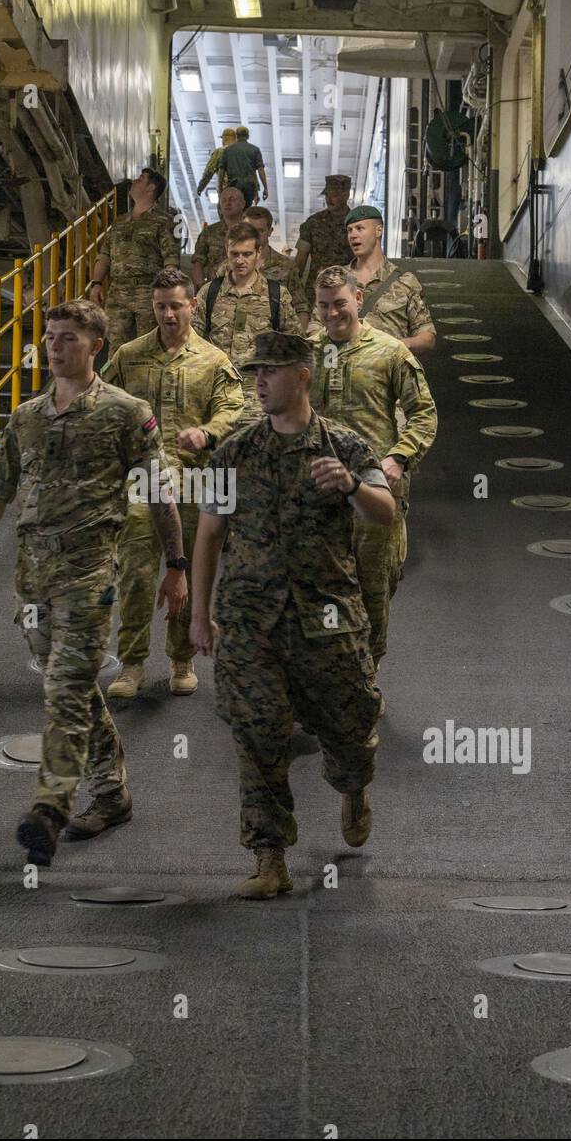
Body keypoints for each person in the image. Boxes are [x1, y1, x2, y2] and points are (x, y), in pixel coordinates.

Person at [0, 300, 187, 866]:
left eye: (67, 338)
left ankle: (50, 807)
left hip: (89, 576)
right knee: (74, 686)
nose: (54, 347)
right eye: (50, 337)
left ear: (96, 347)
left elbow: (159, 492)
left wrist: (176, 565)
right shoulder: (28, 416)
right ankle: (113, 793)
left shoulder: (126, 413)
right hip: (32, 578)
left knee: (64, 687)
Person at [190, 331, 395, 900]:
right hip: (251, 621)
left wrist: (352, 485)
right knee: (257, 733)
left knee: (351, 727)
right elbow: (209, 534)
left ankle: (352, 786)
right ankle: (268, 856)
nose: (259, 381)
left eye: (271, 371)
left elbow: (385, 511)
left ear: (303, 375)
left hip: (327, 619)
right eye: (255, 371)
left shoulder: (344, 446)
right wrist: (200, 617)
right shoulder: (235, 452)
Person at [100, 267, 244, 710]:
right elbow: (103, 397)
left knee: (190, 573)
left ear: (192, 306)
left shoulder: (214, 360)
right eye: (160, 306)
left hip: (199, 479)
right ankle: (132, 663)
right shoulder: (128, 355)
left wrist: (208, 432)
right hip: (144, 481)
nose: (167, 314)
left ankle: (182, 660)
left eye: (176, 306)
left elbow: (234, 407)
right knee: (138, 573)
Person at [309, 264, 438, 671]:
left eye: (341, 304)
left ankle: (365, 676)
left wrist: (399, 457)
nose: (333, 314)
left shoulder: (389, 352)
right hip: (319, 492)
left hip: (373, 490)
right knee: (318, 588)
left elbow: (424, 414)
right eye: (324, 306)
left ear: (358, 300)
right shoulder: (308, 353)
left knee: (373, 589)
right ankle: (326, 678)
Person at [192, 222, 302, 421]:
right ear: (227, 251)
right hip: (215, 395)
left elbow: (293, 347)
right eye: (234, 254)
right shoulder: (210, 293)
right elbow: (192, 341)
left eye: (247, 254)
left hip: (258, 399)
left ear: (258, 253)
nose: (240, 260)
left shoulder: (276, 295)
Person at [87, 168, 180, 355]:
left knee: (147, 349)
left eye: (141, 179)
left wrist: (168, 293)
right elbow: (105, 255)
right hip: (118, 292)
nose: (134, 181)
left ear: (150, 188)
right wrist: (96, 283)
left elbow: (170, 257)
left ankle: (144, 385)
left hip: (147, 291)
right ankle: (116, 384)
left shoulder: (163, 221)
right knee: (116, 349)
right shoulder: (120, 222)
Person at [345, 206, 436, 356]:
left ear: (378, 231)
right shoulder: (338, 280)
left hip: (389, 374)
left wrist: (400, 346)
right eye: (349, 230)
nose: (353, 235)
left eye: (360, 228)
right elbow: (315, 328)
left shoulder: (405, 282)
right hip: (346, 374)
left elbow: (427, 337)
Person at [212, 204, 307, 324]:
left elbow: (301, 307)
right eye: (250, 230)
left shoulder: (286, 267)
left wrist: (298, 340)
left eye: (260, 231)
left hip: (271, 335)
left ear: (270, 231)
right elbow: (212, 304)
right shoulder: (226, 267)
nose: (254, 236)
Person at [294, 174, 354, 322]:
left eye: (334, 195)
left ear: (346, 195)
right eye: (327, 194)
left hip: (346, 290)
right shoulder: (313, 223)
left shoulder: (356, 224)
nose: (329, 199)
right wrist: (293, 290)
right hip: (316, 291)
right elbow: (300, 261)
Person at [191, 185, 246, 289]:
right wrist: (200, 285)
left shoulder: (251, 231)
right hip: (216, 290)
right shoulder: (209, 232)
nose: (227, 203)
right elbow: (198, 260)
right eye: (223, 200)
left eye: (232, 199)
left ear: (242, 204)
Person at [218, 126, 268, 206]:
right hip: (250, 185)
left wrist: (220, 189)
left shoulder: (228, 150)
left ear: (236, 136)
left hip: (234, 185)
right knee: (246, 209)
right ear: (248, 136)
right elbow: (260, 170)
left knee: (236, 208)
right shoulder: (255, 150)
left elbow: (221, 170)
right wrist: (265, 188)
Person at [197, 128, 237, 196]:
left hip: (226, 189)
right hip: (242, 190)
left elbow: (209, 171)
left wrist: (201, 187)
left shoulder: (219, 151)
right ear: (235, 139)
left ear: (225, 139)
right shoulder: (243, 152)